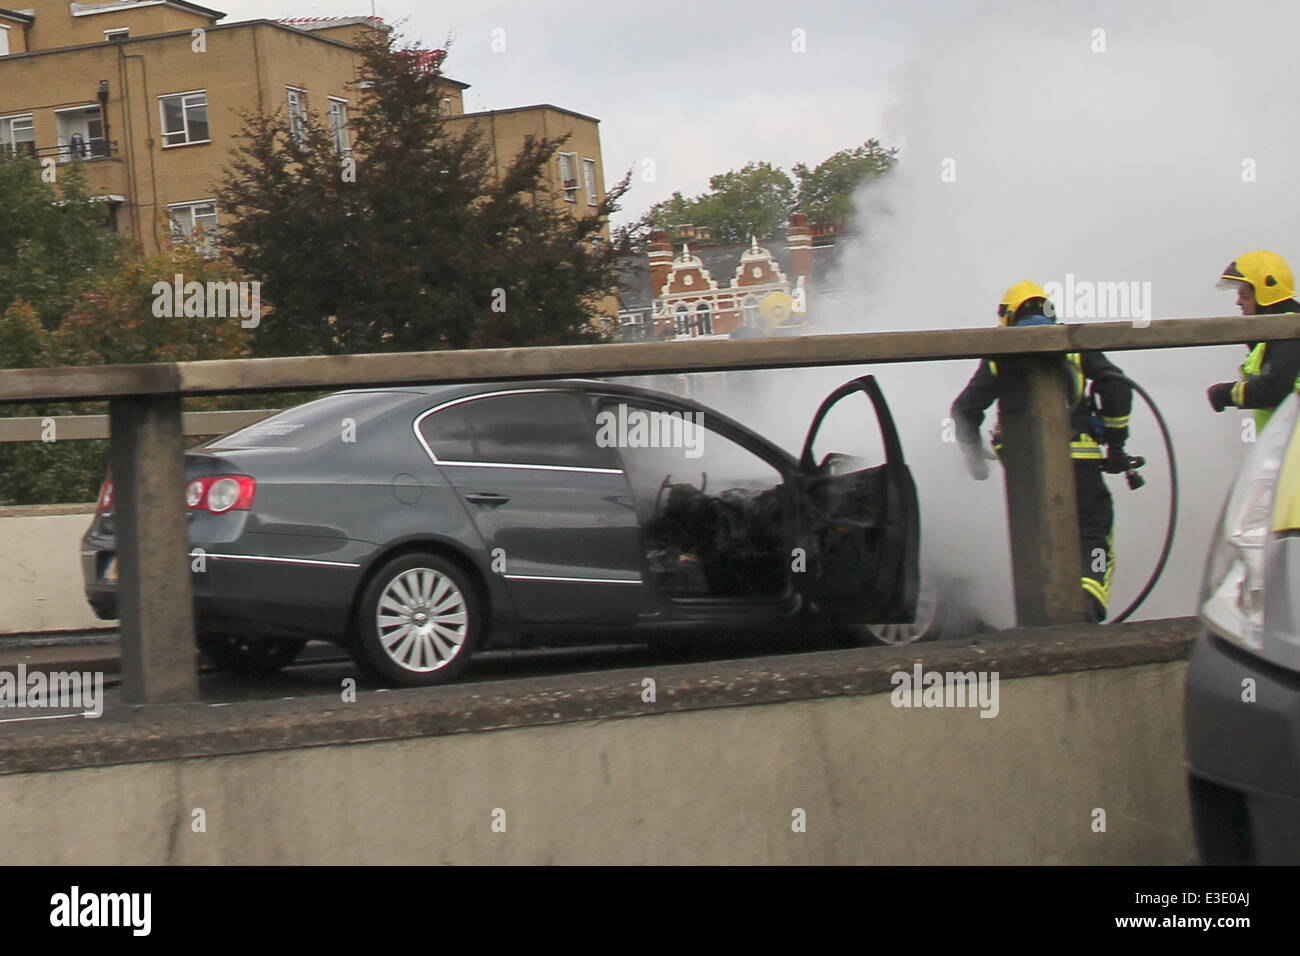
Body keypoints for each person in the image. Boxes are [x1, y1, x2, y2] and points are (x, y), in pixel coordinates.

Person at [951, 280, 1133, 622]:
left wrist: (975, 458)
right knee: (1094, 535)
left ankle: (1044, 620)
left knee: (1036, 542)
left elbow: (964, 410)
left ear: (1009, 315)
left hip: (1026, 472)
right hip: (1080, 466)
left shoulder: (999, 352)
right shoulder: (1073, 342)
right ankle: (1087, 608)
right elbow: (1116, 386)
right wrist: (1115, 440)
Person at [1207, 250, 1300, 430]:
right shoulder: (1275, 332)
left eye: (1245, 295)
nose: (1238, 302)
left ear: (1265, 295)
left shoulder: (1289, 329)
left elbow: (1275, 389)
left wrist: (1225, 393)